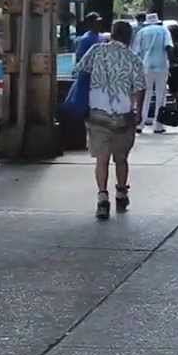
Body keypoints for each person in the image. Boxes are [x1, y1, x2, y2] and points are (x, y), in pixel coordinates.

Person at [73, 21, 146, 220]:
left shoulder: (96, 50)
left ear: (111, 34)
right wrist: (138, 112)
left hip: (98, 113)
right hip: (123, 115)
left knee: (102, 159)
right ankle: (121, 193)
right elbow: (140, 86)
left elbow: (79, 70)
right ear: (130, 37)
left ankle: (102, 198)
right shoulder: (133, 58)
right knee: (121, 159)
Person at [130, 12, 172, 134]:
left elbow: (135, 52)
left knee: (144, 96)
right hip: (162, 65)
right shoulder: (164, 31)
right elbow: (168, 47)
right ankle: (158, 125)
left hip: (145, 66)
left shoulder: (141, 32)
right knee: (160, 96)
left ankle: (140, 124)